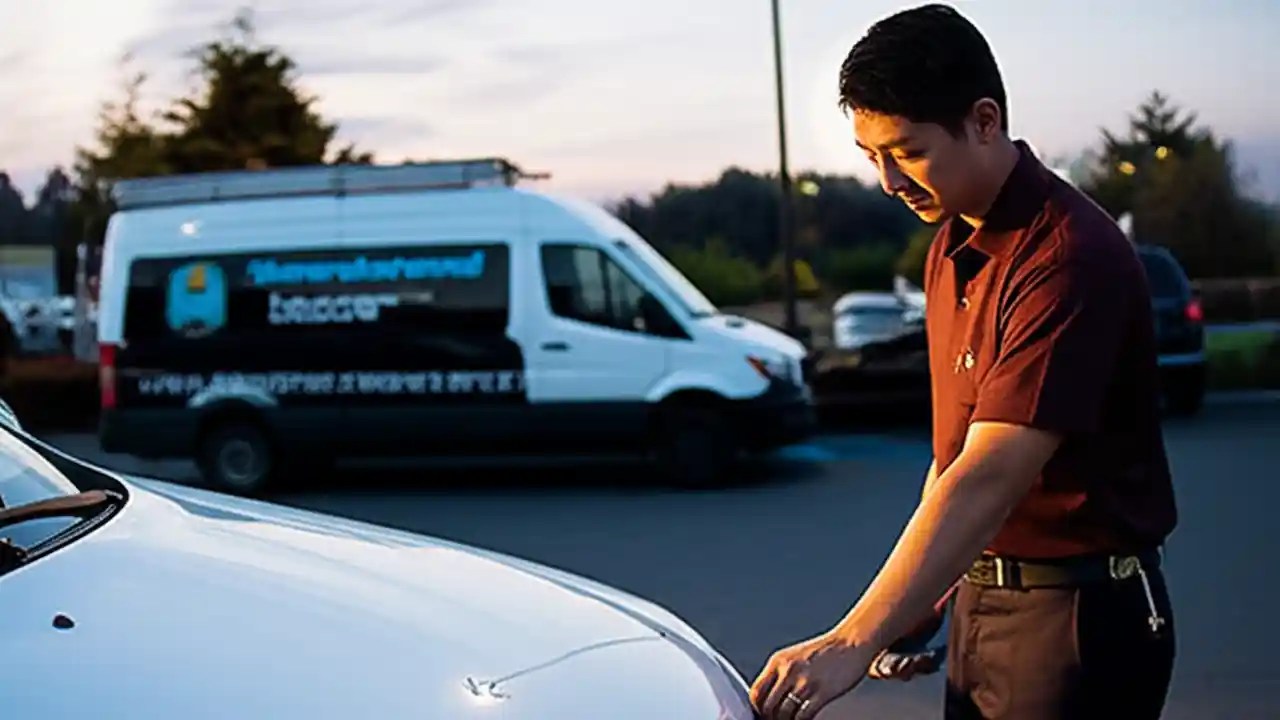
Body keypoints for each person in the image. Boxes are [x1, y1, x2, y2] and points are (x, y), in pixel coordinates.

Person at [748, 4, 1178, 719]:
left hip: (1074, 614)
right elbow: (955, 455)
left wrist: (853, 638)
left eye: (907, 151)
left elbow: (992, 471)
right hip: (983, 598)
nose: (888, 181)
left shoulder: (1069, 258)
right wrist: (916, 603)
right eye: (871, 156)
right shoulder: (951, 245)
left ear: (984, 121)